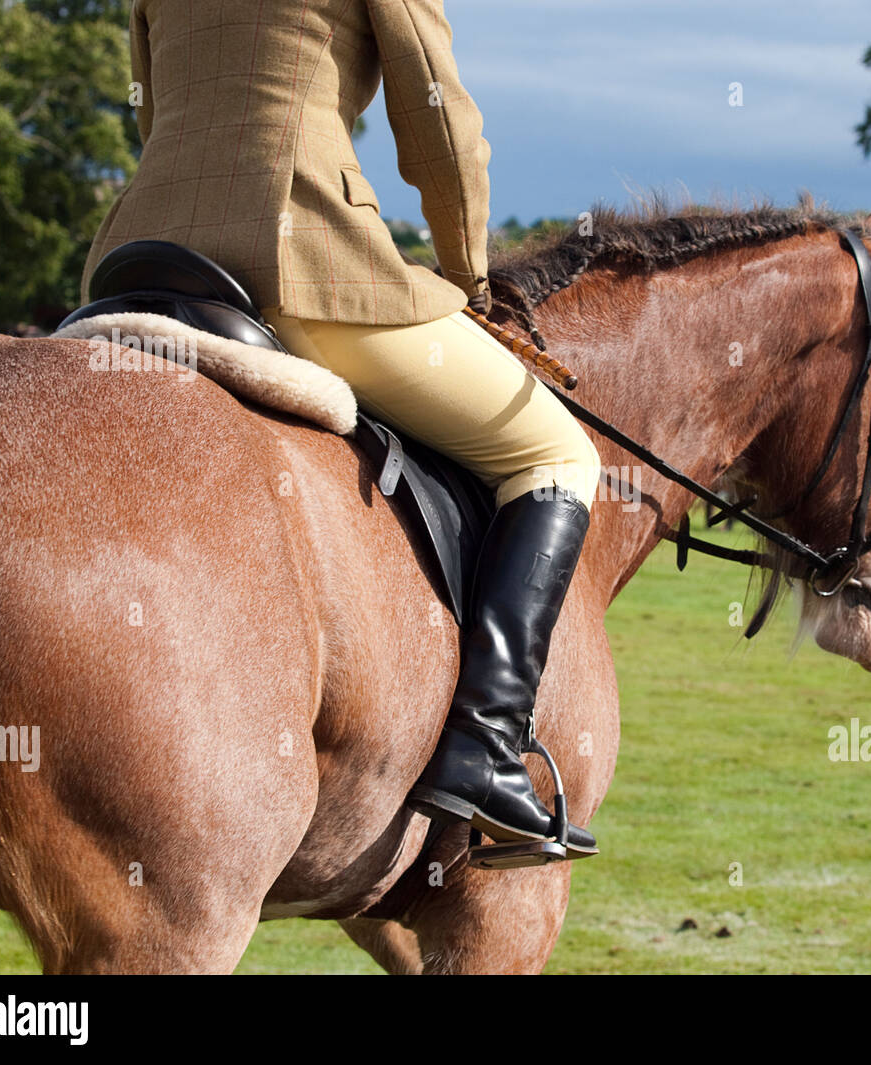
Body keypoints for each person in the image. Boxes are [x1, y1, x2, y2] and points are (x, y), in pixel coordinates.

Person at [80, 1, 602, 859]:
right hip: (304, 262)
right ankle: (486, 748)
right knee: (554, 454)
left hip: (138, 259)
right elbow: (438, 120)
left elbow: (152, 113)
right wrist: (469, 275)